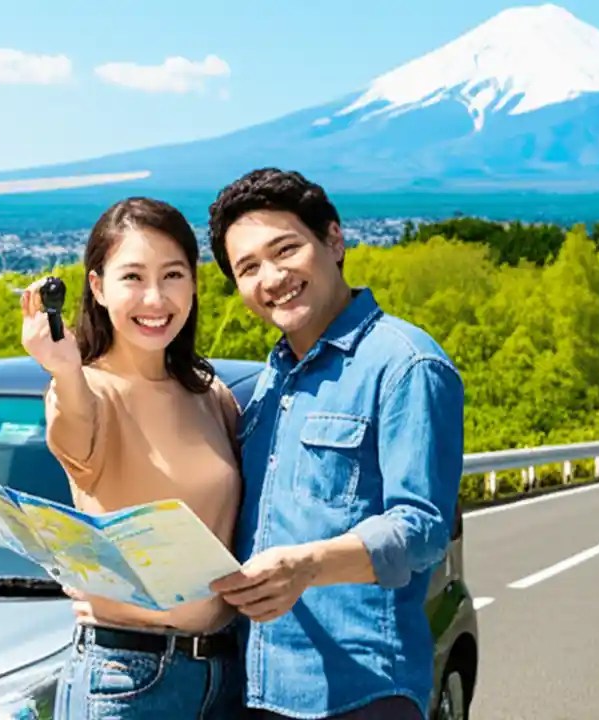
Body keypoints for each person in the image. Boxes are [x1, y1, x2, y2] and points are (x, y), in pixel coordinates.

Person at [205, 168, 464, 719]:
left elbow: (421, 530)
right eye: (248, 267)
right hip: (258, 689)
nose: (272, 277)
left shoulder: (406, 364)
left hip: (362, 693)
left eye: (286, 250)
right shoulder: (271, 380)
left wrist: (308, 565)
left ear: (333, 240)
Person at [19, 196, 245, 719]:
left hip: (225, 674)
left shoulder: (210, 394)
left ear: (194, 283)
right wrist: (64, 371)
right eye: (133, 277)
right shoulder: (88, 391)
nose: (155, 298)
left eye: (173, 275)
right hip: (129, 680)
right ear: (97, 287)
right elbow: (73, 436)